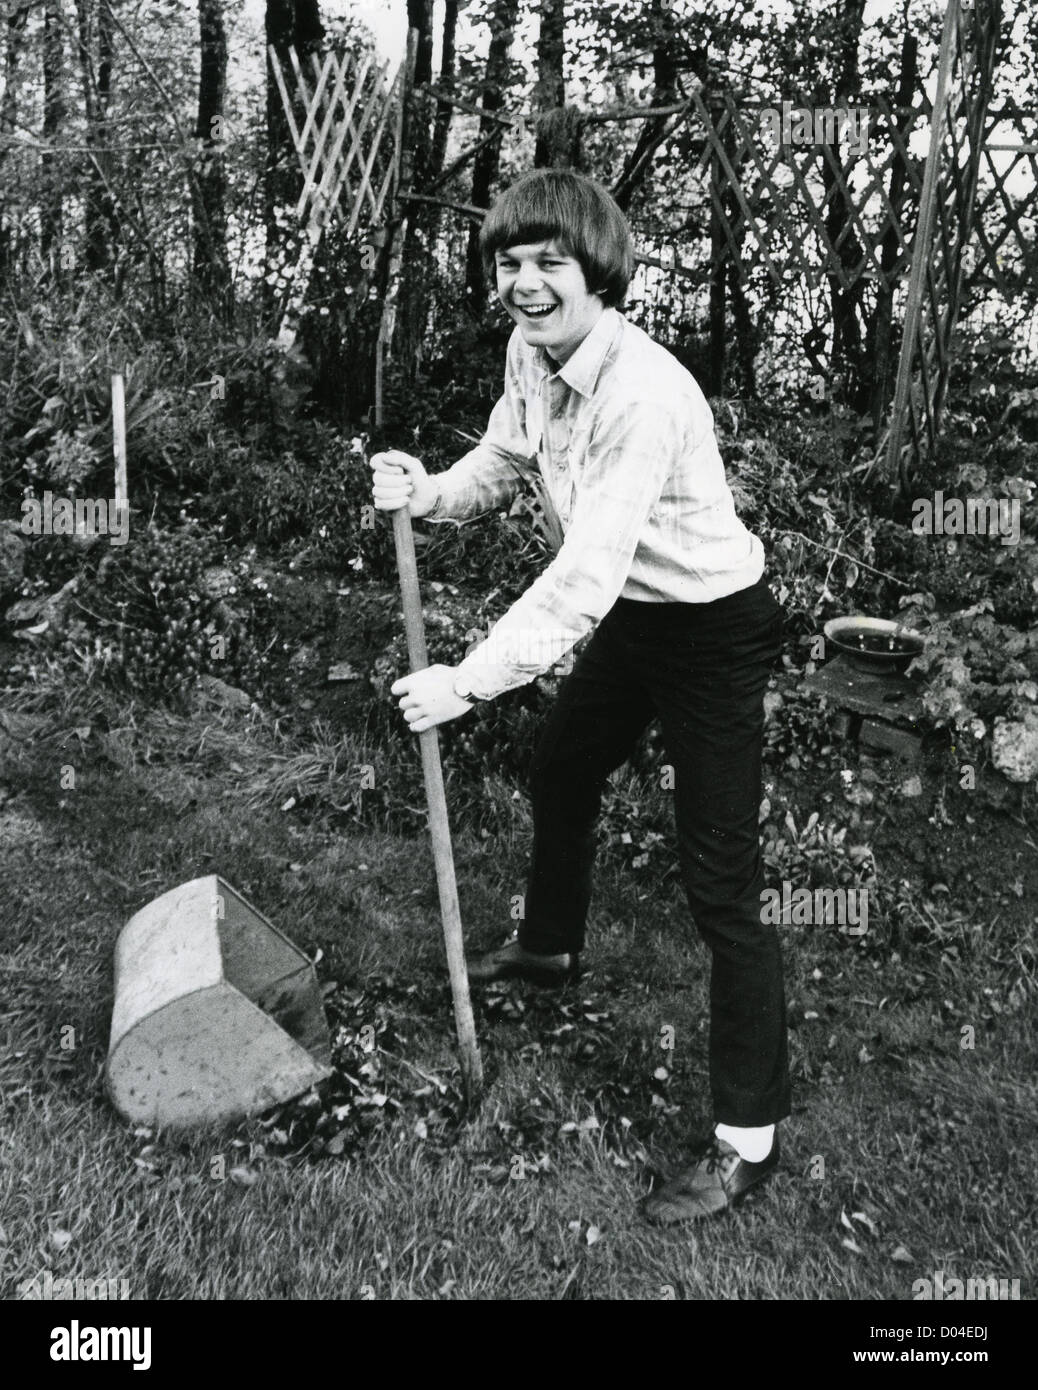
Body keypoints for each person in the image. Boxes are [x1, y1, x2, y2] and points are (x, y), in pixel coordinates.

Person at [369, 169, 789, 1224]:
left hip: (712, 626)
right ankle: (551, 947)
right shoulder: (532, 354)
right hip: (637, 619)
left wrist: (465, 681)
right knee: (562, 764)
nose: (525, 284)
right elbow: (506, 458)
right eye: (510, 264)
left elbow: (583, 576)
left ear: (598, 270)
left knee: (722, 887)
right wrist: (429, 491)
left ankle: (746, 1140)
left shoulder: (645, 394)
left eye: (549, 264)